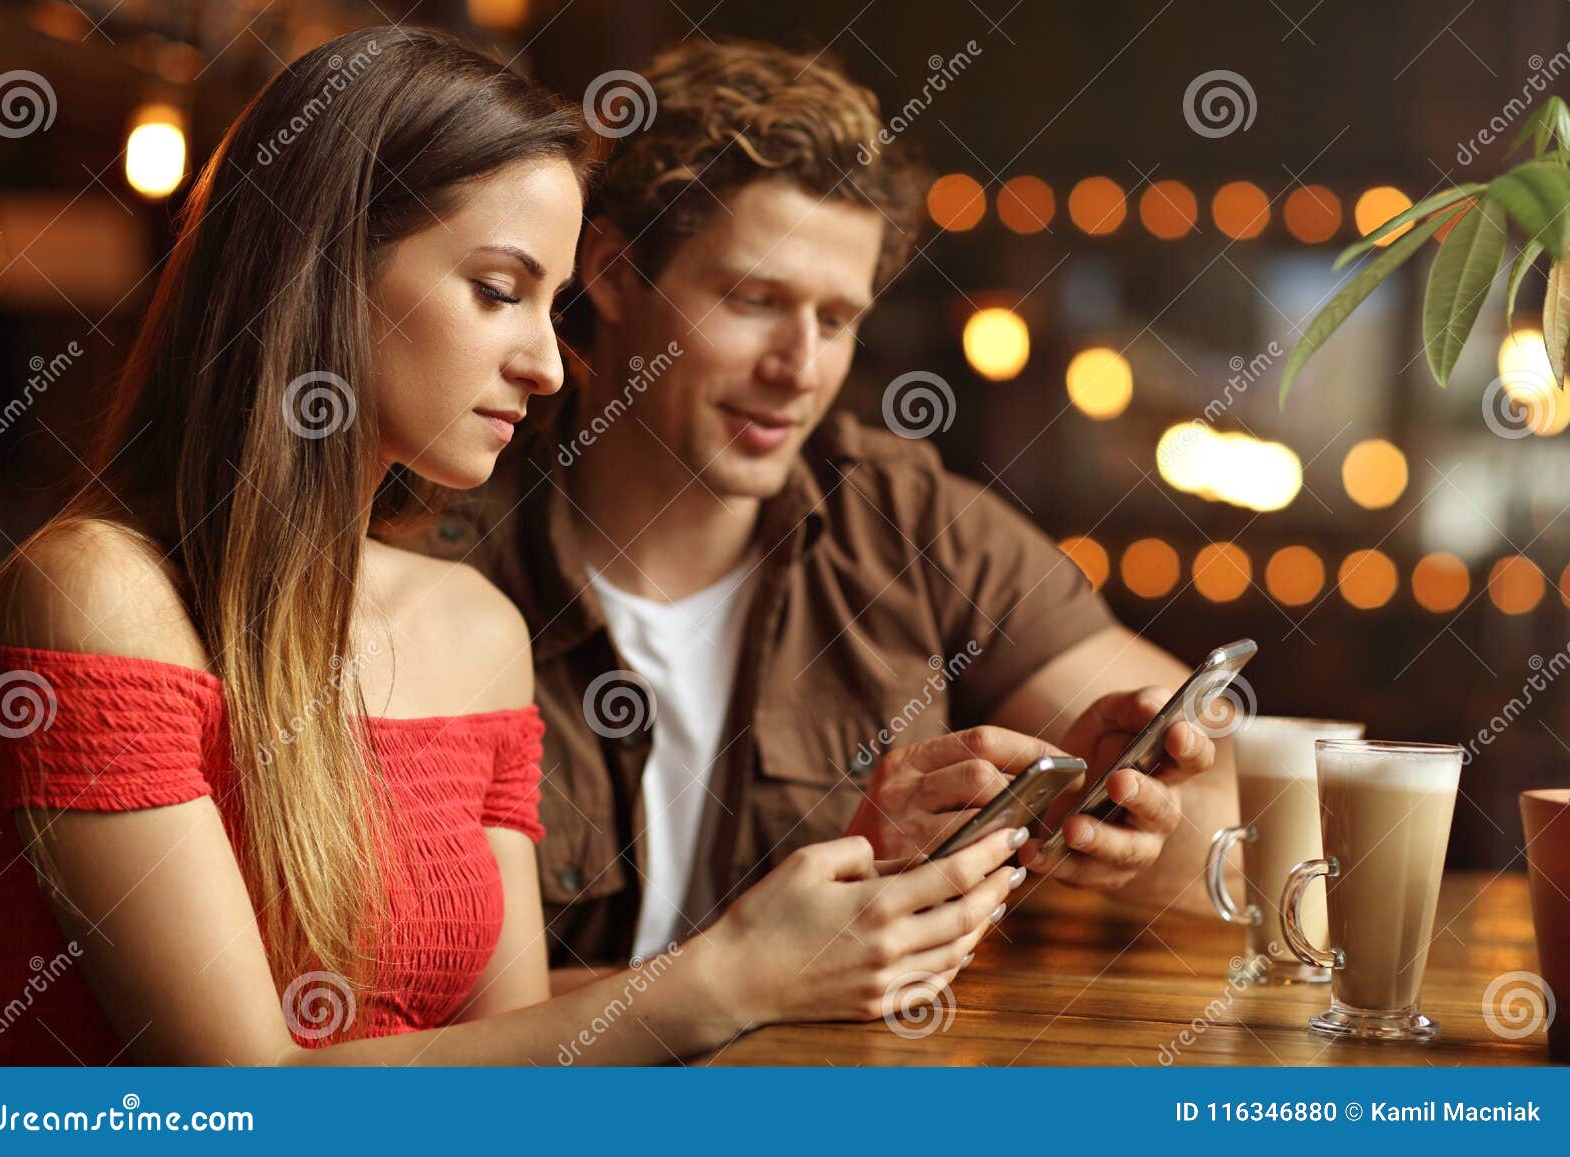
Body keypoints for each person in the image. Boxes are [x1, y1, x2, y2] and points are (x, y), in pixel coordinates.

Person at [0, 27, 1023, 1067]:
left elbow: (512, 1054)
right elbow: (249, 1103)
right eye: (496, 289)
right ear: (325, 266)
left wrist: (802, 935)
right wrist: (727, 974)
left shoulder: (473, 628)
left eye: (551, 303)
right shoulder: (95, 599)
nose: (547, 365)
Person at [408, 38, 1232, 982]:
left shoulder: (909, 519)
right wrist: (752, 970)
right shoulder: (436, 551)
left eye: (835, 320)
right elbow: (418, 1017)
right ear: (615, 270)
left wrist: (1114, 815)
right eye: (757, 301)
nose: (799, 368)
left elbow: (1215, 815)